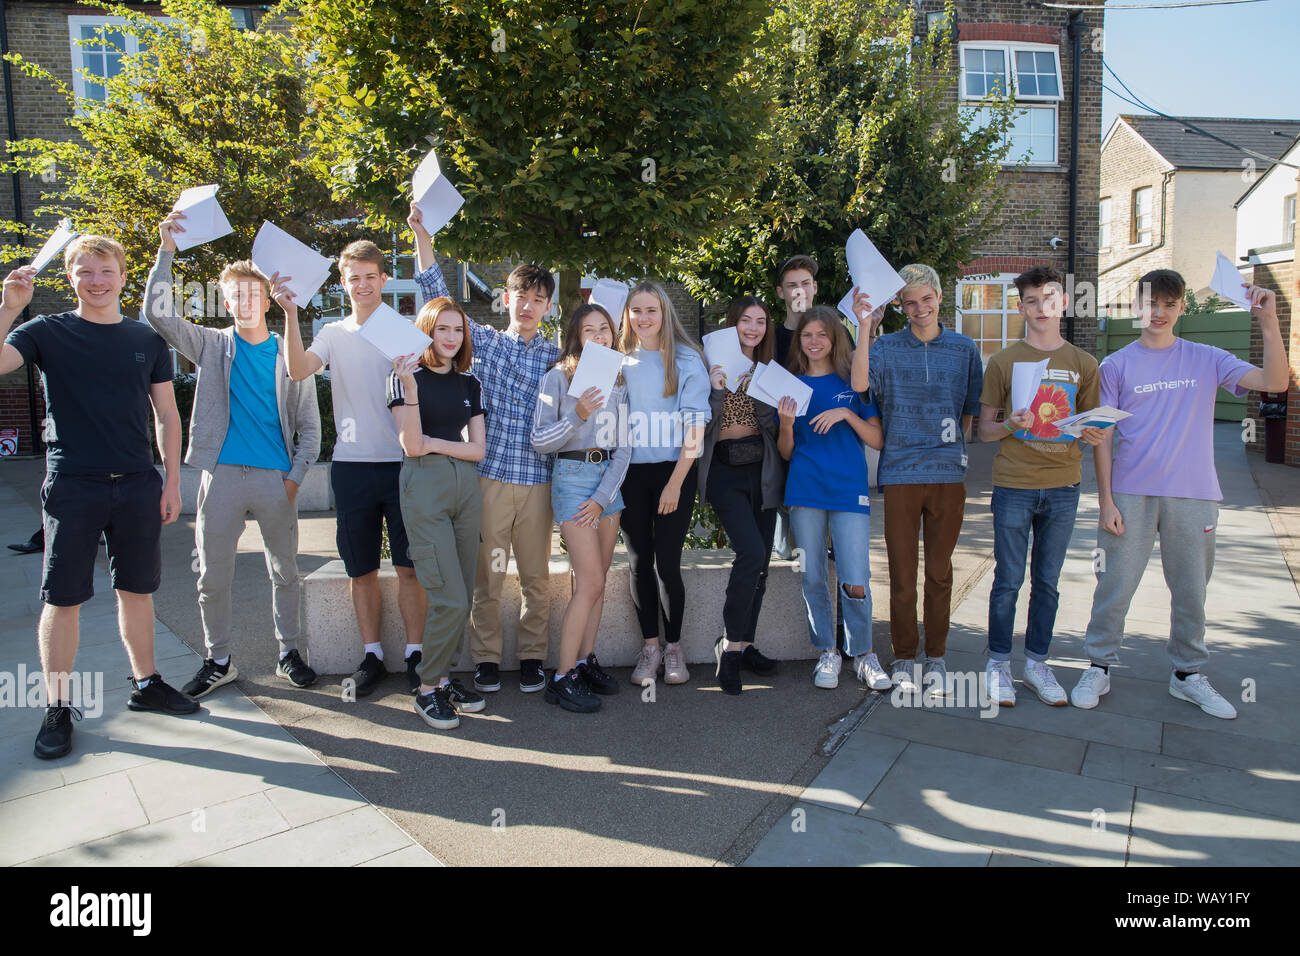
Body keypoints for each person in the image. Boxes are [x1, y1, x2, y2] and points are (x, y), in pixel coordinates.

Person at [1, 236, 196, 761]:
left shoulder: (146, 340)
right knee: (62, 598)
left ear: (122, 275)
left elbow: (168, 416)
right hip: (74, 483)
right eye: (84, 271)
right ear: (71, 278)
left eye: (105, 270)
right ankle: (58, 708)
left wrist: (171, 481)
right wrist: (8, 308)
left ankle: (147, 684)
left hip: (136, 482)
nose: (96, 280)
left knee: (137, 589)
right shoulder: (46, 331)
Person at [1070, 269, 1287, 719]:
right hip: (1130, 493)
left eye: (1169, 304)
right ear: (1136, 306)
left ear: (1182, 307)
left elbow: (1276, 381)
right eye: (1151, 303)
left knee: (1191, 589)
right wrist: (1106, 501)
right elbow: (1104, 438)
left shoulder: (1207, 358)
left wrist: (1269, 323)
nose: (1159, 312)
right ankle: (1099, 666)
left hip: (1193, 494)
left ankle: (1187, 674)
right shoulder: (1117, 366)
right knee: (1114, 585)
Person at [147, 211, 320, 699]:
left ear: (267, 298)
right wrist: (166, 251)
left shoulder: (289, 353)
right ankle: (218, 659)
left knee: (284, 572)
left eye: (254, 293)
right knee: (211, 574)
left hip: (275, 480)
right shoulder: (210, 345)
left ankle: (289, 652)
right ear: (225, 301)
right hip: (220, 476)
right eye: (236, 294)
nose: (245, 301)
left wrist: (294, 478)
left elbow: (310, 427)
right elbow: (157, 315)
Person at [410, 205, 560, 696]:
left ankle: (535, 658)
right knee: (488, 580)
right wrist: (421, 236)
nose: (528, 305)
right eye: (521, 295)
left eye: (539, 299)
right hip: (490, 480)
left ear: (548, 307)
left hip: (538, 484)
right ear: (507, 297)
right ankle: (487, 659)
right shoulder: (487, 344)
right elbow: (438, 301)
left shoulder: (559, 358)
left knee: (537, 580)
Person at [282, 238, 429, 698]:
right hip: (351, 468)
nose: (362, 285)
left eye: (370, 277)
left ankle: (416, 656)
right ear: (343, 284)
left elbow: (428, 386)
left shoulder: (403, 331)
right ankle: (372, 655)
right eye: (354, 279)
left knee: (410, 569)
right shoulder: (331, 332)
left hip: (403, 464)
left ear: (384, 280)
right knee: (360, 570)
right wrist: (288, 312)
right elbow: (298, 370)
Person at [976, 265, 1103, 707]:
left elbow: (1092, 428)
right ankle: (997, 663)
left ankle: (1037, 663)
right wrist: (1008, 424)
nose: (1041, 307)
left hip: (1065, 487)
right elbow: (983, 431)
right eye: (1032, 300)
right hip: (1014, 485)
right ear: (1021, 307)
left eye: (1050, 298)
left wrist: (1093, 432)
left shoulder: (1084, 363)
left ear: (1064, 302)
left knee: (1047, 581)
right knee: (1008, 580)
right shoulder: (1004, 362)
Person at [855, 263, 982, 701]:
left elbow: (968, 410)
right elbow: (859, 385)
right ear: (900, 305)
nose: (919, 308)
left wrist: (953, 450)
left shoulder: (965, 349)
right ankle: (905, 657)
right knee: (902, 573)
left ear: (940, 298)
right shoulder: (886, 348)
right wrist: (865, 326)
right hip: (901, 474)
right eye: (909, 302)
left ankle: (938, 657)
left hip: (948, 474)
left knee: (940, 571)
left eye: (926, 299)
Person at [387, 296, 487, 730]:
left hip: (466, 487)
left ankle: (444, 677)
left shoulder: (470, 384)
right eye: (442, 329)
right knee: (449, 594)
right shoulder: (403, 378)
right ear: (426, 331)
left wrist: (436, 443)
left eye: (457, 330)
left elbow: (478, 450)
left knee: (463, 591)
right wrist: (411, 393)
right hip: (423, 484)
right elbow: (410, 446)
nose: (450, 337)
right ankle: (427, 689)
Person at [778, 307, 888, 689]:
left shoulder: (854, 383)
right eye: (807, 335)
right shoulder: (790, 384)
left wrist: (846, 413)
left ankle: (863, 654)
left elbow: (876, 439)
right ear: (800, 341)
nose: (814, 341)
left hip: (848, 490)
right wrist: (788, 425)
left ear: (834, 337)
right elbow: (787, 452)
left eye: (821, 334)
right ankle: (828, 651)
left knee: (855, 577)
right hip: (805, 489)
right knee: (812, 576)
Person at [530, 302, 630, 712]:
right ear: (576, 336)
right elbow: (540, 441)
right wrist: (578, 415)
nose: (599, 336)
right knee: (588, 582)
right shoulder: (557, 377)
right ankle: (561, 676)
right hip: (571, 481)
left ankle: (586, 661)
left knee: (599, 581)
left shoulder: (620, 381)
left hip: (606, 486)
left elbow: (624, 449)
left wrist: (602, 498)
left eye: (604, 329)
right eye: (590, 330)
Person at [619, 281, 711, 685]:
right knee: (639, 563)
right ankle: (650, 648)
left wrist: (675, 484)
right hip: (629, 475)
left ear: (664, 313)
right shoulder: (617, 360)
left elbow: (695, 428)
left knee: (667, 564)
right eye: (635, 310)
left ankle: (674, 648)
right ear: (627, 314)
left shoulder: (688, 359)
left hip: (675, 472)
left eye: (651, 310)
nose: (643, 318)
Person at [698, 296, 783, 695]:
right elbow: (702, 420)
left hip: (762, 470)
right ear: (732, 325)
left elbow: (771, 425)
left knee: (761, 560)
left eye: (761, 321)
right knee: (749, 551)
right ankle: (729, 648)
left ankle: (745, 644)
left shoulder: (769, 370)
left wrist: (764, 394)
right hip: (722, 470)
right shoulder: (708, 363)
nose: (753, 328)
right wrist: (718, 389)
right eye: (745, 320)